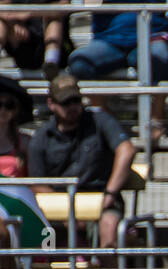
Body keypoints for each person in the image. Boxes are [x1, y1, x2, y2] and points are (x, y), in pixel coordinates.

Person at [28, 75, 135, 251]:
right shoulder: (41, 138)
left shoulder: (100, 121)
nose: (72, 107)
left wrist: (110, 192)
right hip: (60, 209)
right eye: (65, 102)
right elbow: (37, 184)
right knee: (37, 233)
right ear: (51, 104)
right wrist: (68, 212)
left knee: (109, 228)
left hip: (102, 200)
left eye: (75, 101)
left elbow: (127, 150)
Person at [66, 0, 168, 137]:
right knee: (79, 62)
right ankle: (106, 119)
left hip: (150, 35)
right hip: (109, 40)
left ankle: (156, 118)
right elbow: (87, 2)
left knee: (161, 56)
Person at [0, 0, 68, 77]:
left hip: (52, 44)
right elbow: (2, 8)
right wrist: (13, 24)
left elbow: (63, 6)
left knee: (55, 20)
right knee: (0, 23)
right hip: (23, 42)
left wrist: (29, 13)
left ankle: (51, 62)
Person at [0, 75, 31, 178]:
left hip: (16, 193)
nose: (3, 110)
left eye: (9, 105)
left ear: (15, 110)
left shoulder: (25, 141)